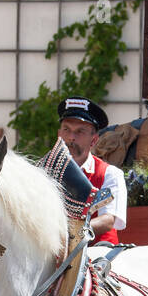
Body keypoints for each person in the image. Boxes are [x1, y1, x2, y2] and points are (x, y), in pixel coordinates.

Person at [57, 96, 125, 245]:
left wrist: (67, 231)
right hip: (54, 253)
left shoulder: (109, 173)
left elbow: (108, 219)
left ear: (93, 140)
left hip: (98, 256)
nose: (71, 137)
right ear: (59, 134)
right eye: (66, 129)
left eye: (80, 131)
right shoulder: (44, 171)